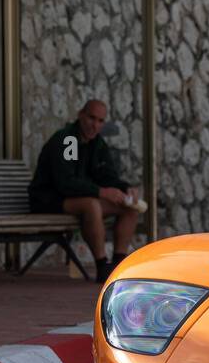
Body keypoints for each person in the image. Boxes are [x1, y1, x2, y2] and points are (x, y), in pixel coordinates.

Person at [29, 100, 142, 282]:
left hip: (77, 199)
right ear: (81, 115)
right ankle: (102, 265)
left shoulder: (97, 144)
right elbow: (66, 183)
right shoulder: (69, 140)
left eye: (100, 120)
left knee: (130, 207)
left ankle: (118, 263)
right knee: (92, 205)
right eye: (91, 118)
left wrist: (125, 189)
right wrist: (101, 192)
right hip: (49, 199)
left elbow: (107, 175)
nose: (95, 125)